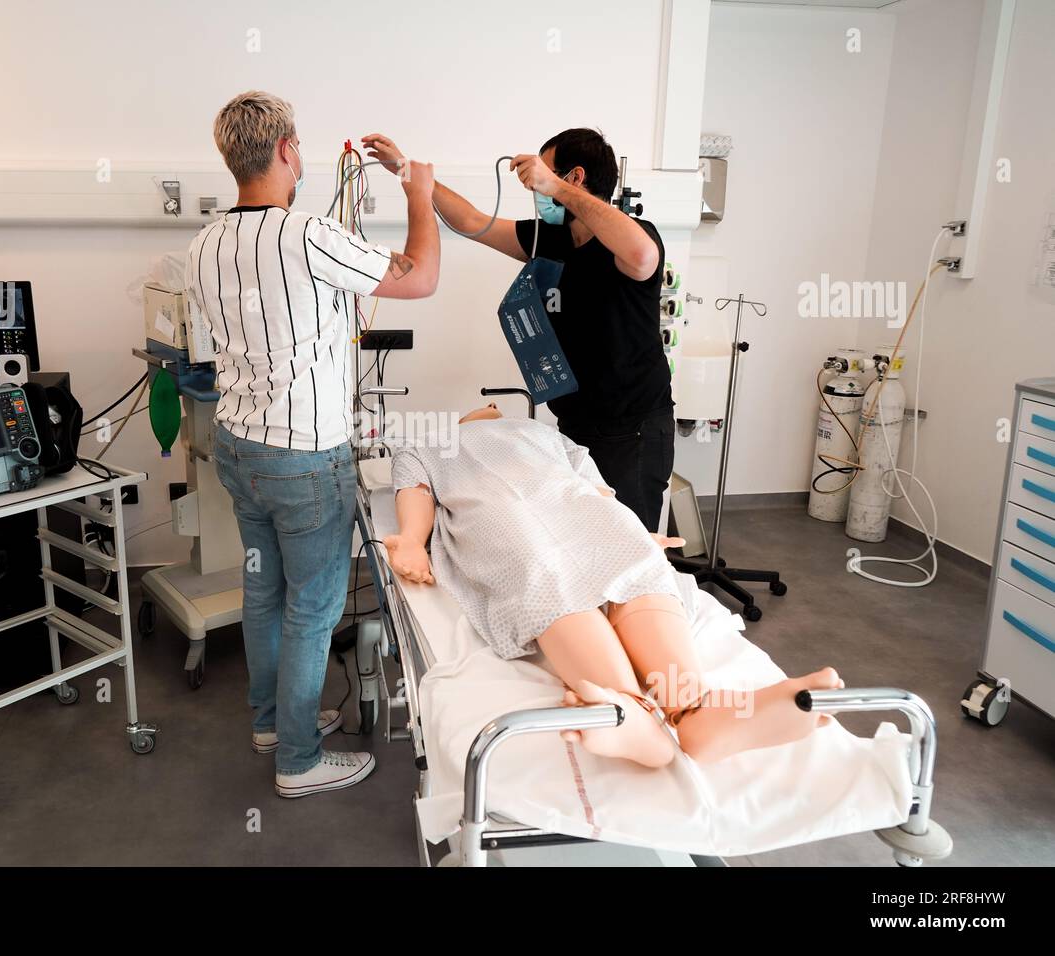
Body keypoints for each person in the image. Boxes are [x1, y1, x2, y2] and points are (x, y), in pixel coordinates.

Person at [187, 91, 439, 798]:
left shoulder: (204, 242)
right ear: (289, 151)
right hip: (303, 458)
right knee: (314, 607)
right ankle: (296, 761)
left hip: (240, 448)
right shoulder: (305, 235)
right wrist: (418, 192)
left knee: (265, 589)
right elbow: (420, 275)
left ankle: (272, 722)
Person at [385, 405, 842, 767]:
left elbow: (598, 491)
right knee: (543, 571)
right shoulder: (426, 443)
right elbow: (416, 493)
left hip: (577, 507)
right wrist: (410, 541)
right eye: (479, 406)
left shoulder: (543, 433)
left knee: (638, 565)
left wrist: (635, 533)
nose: (487, 407)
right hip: (500, 512)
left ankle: (697, 712)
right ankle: (628, 711)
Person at [363, 129, 675, 532]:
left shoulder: (636, 236)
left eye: (543, 178)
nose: (537, 191)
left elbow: (642, 256)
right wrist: (407, 172)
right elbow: (471, 221)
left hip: (632, 430)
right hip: (577, 425)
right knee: (585, 538)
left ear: (574, 178)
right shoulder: (551, 238)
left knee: (631, 546)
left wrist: (556, 188)